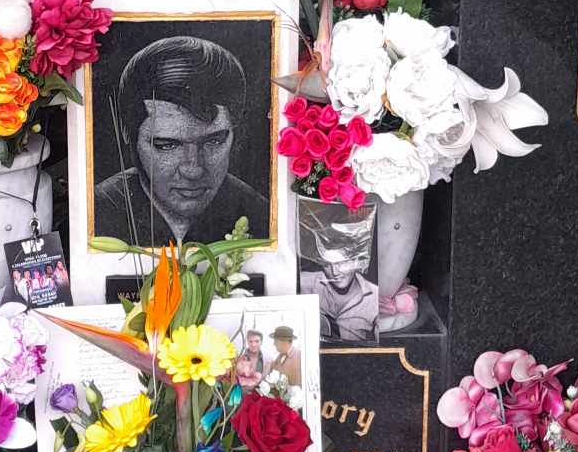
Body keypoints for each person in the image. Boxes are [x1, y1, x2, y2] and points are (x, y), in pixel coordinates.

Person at [94, 35, 267, 244]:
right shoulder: (96, 211)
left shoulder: (261, 215)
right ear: (127, 133)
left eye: (214, 141)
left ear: (235, 133)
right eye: (167, 145)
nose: (193, 170)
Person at [301, 261, 381, 343]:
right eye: (327, 264)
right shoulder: (308, 282)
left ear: (356, 261)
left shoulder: (376, 297)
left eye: (341, 263)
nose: (335, 272)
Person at [268, 324, 303, 388]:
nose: (274, 344)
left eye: (275, 341)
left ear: (283, 342)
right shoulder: (278, 357)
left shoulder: (300, 356)